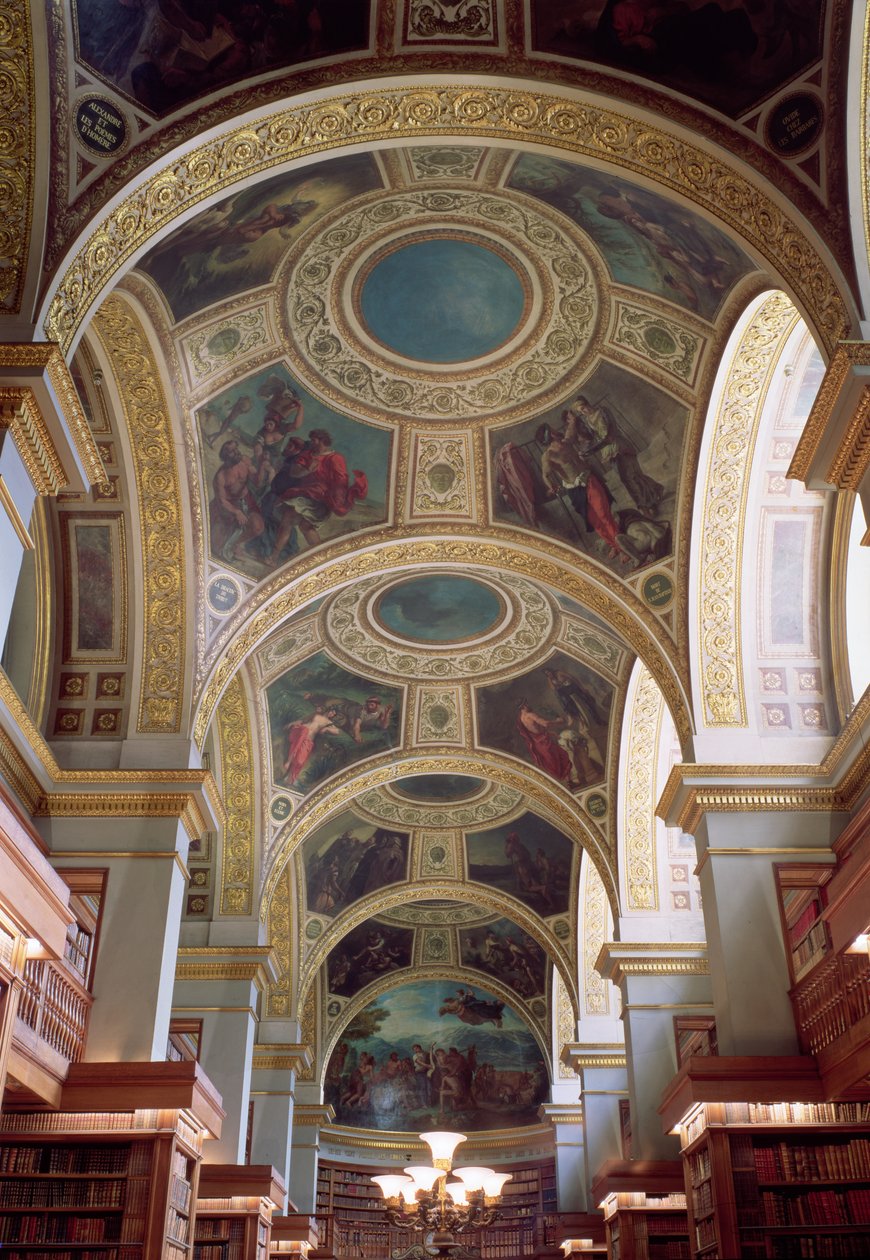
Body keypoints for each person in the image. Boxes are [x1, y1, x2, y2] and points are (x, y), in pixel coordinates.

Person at [537, 422, 640, 565]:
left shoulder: (567, 441)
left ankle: (623, 548)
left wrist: (572, 420)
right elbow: (545, 475)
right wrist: (552, 486)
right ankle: (613, 545)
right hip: (575, 490)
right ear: (549, 435)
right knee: (595, 521)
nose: (555, 429)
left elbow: (572, 428)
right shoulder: (548, 455)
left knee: (604, 515)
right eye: (552, 429)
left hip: (589, 480)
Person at [267, 429, 368, 562]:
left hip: (322, 498)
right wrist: (308, 470)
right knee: (288, 518)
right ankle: (274, 556)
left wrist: (338, 500)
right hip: (304, 493)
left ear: (323, 441)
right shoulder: (307, 454)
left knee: (305, 526)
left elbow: (341, 481)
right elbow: (294, 473)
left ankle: (323, 560)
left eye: (314, 440)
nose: (311, 443)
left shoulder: (335, 458)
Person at [209, 438, 265, 561]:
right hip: (229, 506)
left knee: (258, 527)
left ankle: (235, 543)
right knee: (215, 543)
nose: (237, 452)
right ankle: (229, 545)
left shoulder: (244, 461)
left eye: (236, 449)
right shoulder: (221, 476)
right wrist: (236, 512)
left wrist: (261, 468)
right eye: (232, 451)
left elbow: (257, 482)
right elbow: (222, 501)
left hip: (246, 500)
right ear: (225, 456)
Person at [282, 704, 345, 787]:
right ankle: (288, 762)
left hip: (308, 740)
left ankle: (290, 779)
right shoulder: (316, 715)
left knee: (300, 761)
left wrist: (327, 729)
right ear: (329, 710)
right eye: (332, 712)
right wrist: (291, 724)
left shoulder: (328, 723)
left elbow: (337, 732)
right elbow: (303, 720)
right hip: (300, 731)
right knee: (304, 731)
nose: (332, 714)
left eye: (334, 714)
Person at [515, 698, 573, 784]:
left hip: (537, 743)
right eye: (526, 703)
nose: (528, 704)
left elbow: (534, 729)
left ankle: (564, 783)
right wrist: (558, 721)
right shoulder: (530, 715)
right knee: (561, 756)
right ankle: (568, 782)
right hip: (544, 742)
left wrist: (549, 733)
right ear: (523, 706)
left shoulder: (521, 718)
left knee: (549, 764)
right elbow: (545, 723)